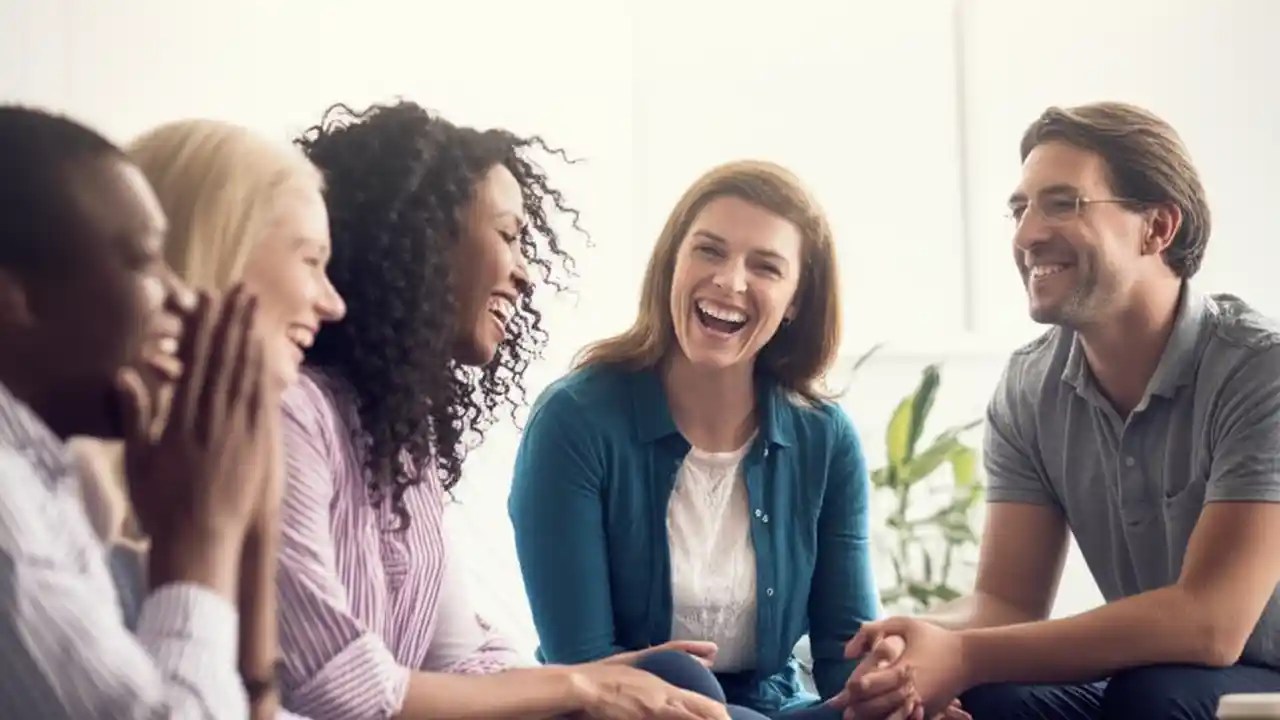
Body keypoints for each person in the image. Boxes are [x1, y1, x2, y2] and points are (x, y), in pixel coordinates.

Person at [276, 99, 744, 720]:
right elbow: (335, 685)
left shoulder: (400, 439)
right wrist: (578, 687)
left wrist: (588, 682)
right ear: (423, 239)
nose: (524, 274)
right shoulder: (293, 413)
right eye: (508, 236)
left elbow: (461, 653)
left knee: (673, 677)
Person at [840, 101, 1280, 720]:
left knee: (1155, 697)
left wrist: (965, 654)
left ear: (1157, 229)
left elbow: (1211, 622)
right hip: (1166, 677)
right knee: (984, 699)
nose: (1025, 236)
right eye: (1020, 209)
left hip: (1249, 677)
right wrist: (918, 642)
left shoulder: (1261, 370)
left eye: (1063, 203)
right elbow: (1005, 602)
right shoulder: (1029, 387)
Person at [508, 160, 930, 720]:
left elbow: (842, 654)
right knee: (679, 677)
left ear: (796, 301)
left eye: (766, 267)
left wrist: (888, 691)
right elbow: (583, 664)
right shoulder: (574, 422)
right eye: (709, 251)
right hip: (621, 710)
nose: (731, 281)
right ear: (672, 265)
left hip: (774, 711)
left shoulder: (825, 439)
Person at [0, 105, 275, 717]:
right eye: (142, 259)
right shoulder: (9, 523)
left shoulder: (53, 481)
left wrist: (248, 522)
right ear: (13, 299)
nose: (179, 294)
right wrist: (199, 542)